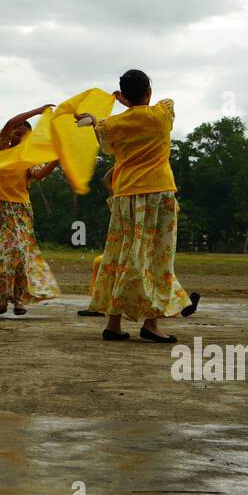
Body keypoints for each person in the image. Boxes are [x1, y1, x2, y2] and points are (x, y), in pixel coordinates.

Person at [78, 70, 200, 342]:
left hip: (126, 194)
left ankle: (113, 323)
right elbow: (163, 104)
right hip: (158, 192)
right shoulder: (162, 113)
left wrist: (101, 118)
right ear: (148, 92)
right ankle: (151, 324)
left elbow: (106, 145)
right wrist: (129, 102)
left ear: (123, 95)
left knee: (121, 256)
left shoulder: (111, 125)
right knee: (156, 258)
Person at [0, 107, 61, 318]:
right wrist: (38, 111)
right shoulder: (0, 146)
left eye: (24, 131)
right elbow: (10, 122)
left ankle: (18, 299)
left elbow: (39, 174)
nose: (18, 132)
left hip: (19, 210)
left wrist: (58, 159)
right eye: (16, 128)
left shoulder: (29, 156)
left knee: (18, 254)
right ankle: (0, 302)